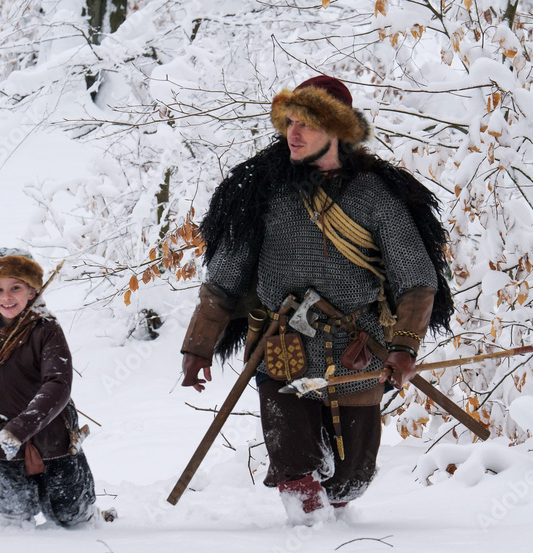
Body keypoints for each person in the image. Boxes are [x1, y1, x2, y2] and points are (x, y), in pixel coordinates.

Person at [180, 75, 453, 521]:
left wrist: (404, 346)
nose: (294, 132)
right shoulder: (261, 191)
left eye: (305, 123)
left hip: (356, 349)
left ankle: (337, 531)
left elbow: (417, 281)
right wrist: (198, 346)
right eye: (289, 122)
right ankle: (307, 531)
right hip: (282, 349)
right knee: (295, 468)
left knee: (351, 477)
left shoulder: (376, 194)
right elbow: (224, 278)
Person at [0, 248, 98, 527]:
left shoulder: (46, 329)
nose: (7, 297)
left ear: (33, 291)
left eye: (16, 287)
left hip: (54, 438)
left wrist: (21, 427)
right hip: (1, 440)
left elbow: (58, 384)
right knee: (11, 519)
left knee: (71, 516)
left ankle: (92, 524)